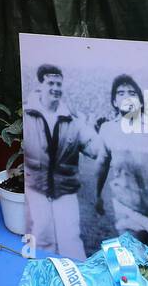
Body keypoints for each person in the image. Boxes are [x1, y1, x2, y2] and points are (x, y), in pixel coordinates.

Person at [22, 64, 101, 259]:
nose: (56, 88)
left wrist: (101, 137)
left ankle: (77, 284)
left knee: (70, 239)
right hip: (36, 188)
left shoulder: (72, 118)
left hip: (65, 189)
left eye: (59, 83)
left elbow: (94, 148)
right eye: (51, 83)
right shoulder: (26, 114)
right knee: (41, 237)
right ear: (40, 84)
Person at [93, 74, 148, 245]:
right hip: (127, 210)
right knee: (137, 263)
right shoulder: (108, 130)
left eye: (132, 93)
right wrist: (97, 196)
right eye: (120, 93)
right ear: (114, 102)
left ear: (140, 101)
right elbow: (101, 165)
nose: (126, 96)